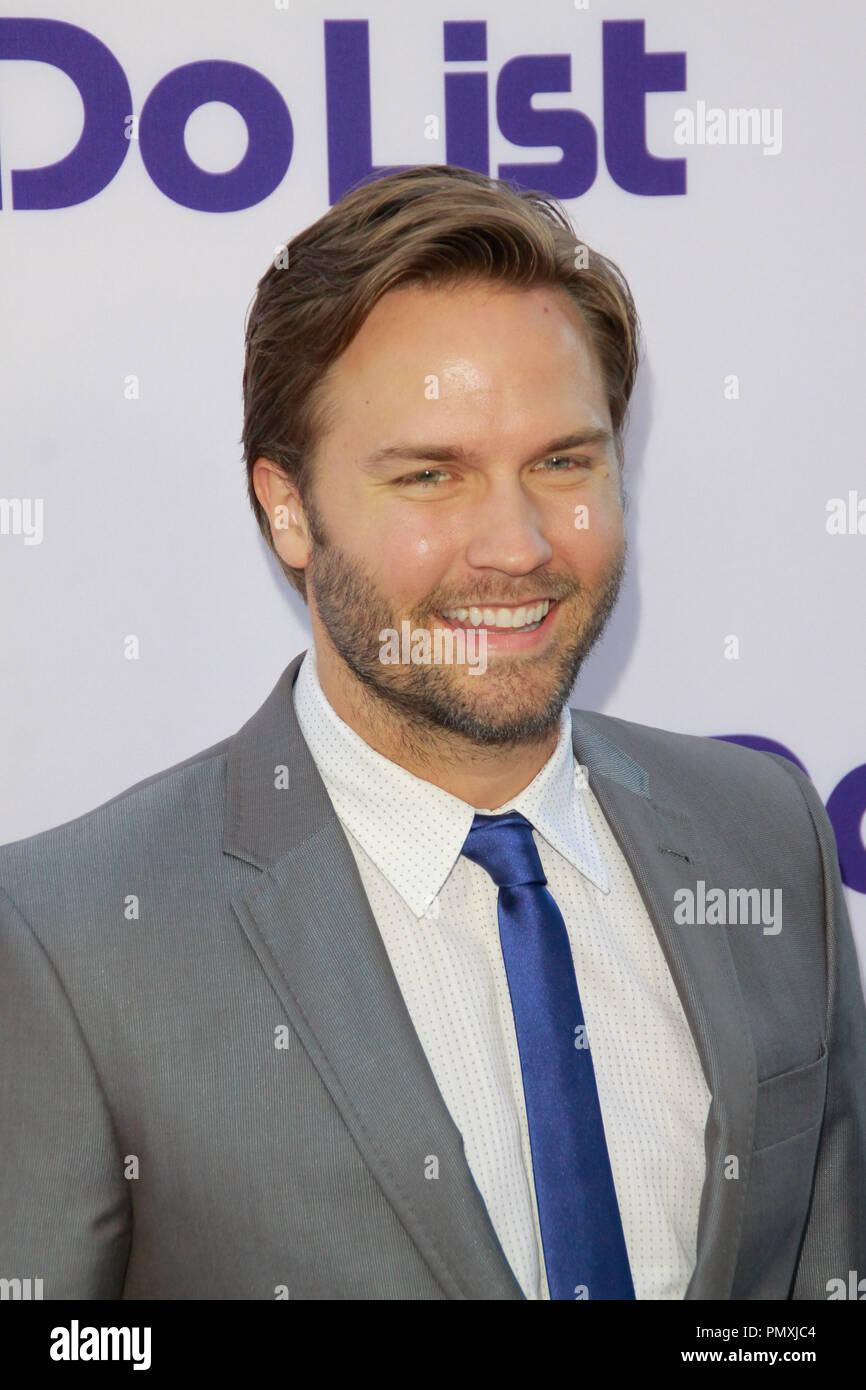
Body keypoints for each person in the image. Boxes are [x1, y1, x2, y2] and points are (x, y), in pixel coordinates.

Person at [1, 164, 864, 1301]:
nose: (516, 545)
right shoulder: (70, 940)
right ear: (287, 508)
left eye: (562, 461)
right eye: (429, 475)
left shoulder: (764, 835)